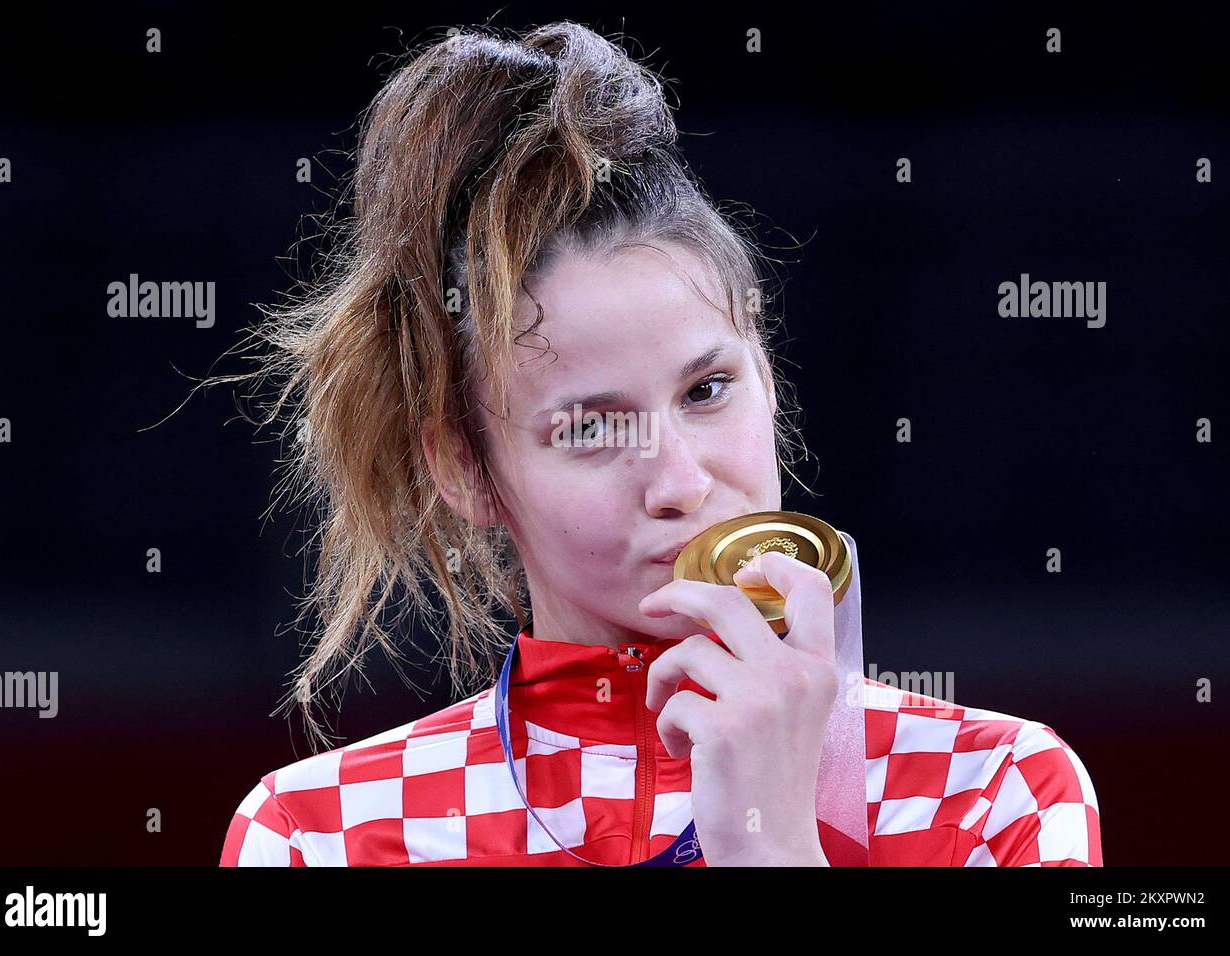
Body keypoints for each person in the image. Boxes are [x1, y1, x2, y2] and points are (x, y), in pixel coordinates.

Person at [217, 21, 1102, 867]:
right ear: (463, 467)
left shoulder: (994, 795)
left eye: (707, 390)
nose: (680, 481)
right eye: (594, 428)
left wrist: (775, 851)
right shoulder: (325, 836)